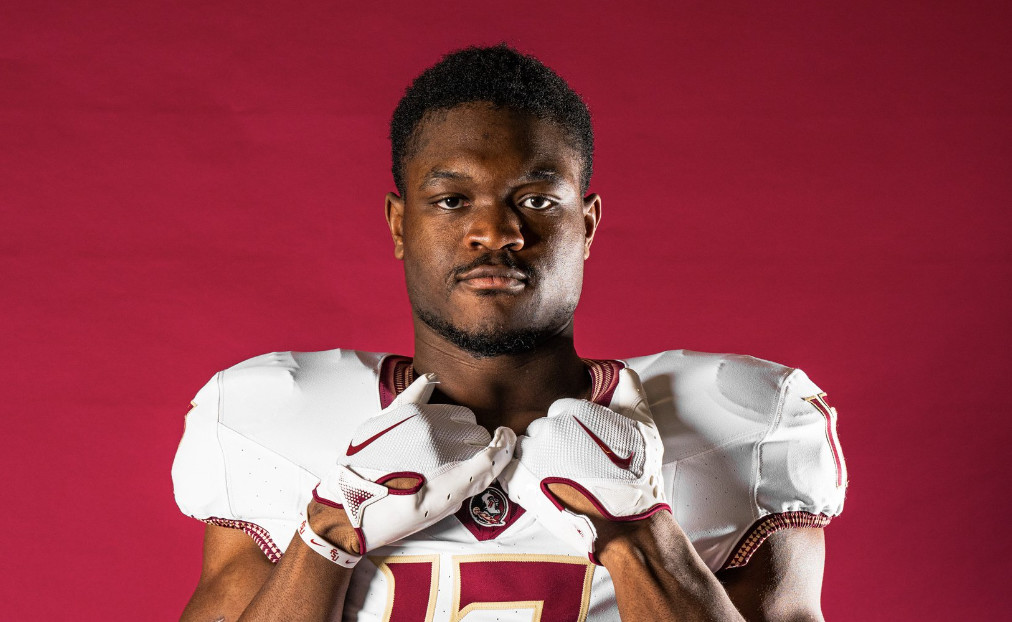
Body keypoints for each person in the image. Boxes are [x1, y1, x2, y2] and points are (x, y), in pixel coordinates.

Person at [172, 44, 847, 621]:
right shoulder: (270, 420)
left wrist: (639, 535)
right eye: (452, 200)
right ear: (400, 224)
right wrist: (327, 535)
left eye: (536, 200)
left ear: (587, 224)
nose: (495, 232)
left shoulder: (740, 419)